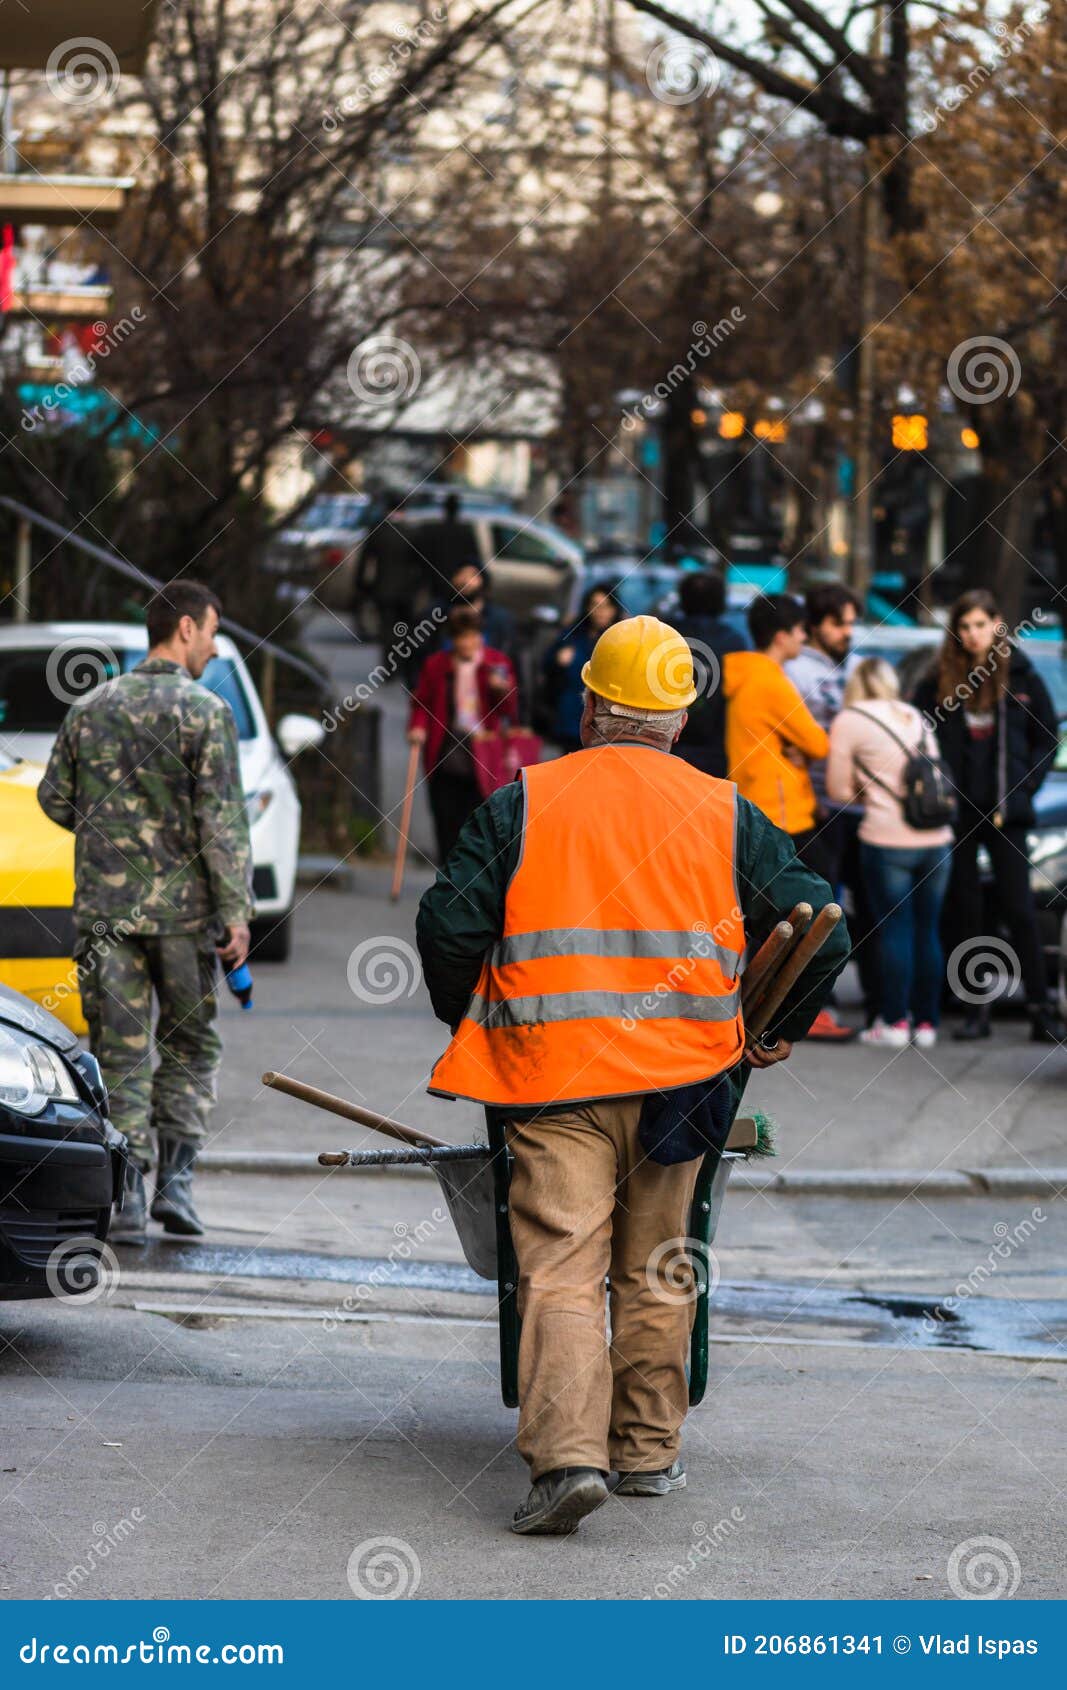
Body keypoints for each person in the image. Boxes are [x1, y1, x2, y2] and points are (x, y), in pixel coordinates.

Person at [416, 615, 849, 1536]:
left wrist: (475, 1017)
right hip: (685, 1083)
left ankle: (568, 1463)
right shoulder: (724, 808)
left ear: (589, 707)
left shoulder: (524, 800)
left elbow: (449, 927)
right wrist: (776, 1027)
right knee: (657, 1266)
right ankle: (646, 1457)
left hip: (555, 1081)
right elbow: (825, 922)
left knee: (563, 1273)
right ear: (679, 719)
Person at [37, 580, 253, 1245]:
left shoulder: (92, 705)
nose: (213, 648)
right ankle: (177, 1188)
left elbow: (53, 799)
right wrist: (234, 913)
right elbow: (221, 823)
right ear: (184, 628)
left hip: (107, 918)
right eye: (212, 633)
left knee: (118, 1052)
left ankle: (126, 1198)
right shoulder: (206, 711)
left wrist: (107, 833)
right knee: (188, 1045)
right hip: (185, 921)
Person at [913, 589, 1064, 1043]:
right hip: (958, 815)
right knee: (967, 911)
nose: (972, 634)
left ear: (997, 624)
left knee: (1019, 909)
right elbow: (917, 734)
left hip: (1007, 814)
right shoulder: (940, 679)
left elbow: (1047, 740)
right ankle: (976, 1008)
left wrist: (1025, 790)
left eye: (980, 624)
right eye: (965, 626)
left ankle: (1041, 1007)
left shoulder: (1021, 674)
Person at [826, 658, 954, 1048]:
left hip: (886, 841)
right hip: (937, 839)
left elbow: (837, 791)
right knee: (927, 930)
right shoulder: (914, 716)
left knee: (894, 929)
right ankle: (927, 1024)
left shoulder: (848, 720)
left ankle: (895, 1023)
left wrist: (870, 793)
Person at [786, 582, 877, 1038]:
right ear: (817, 625)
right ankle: (823, 998)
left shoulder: (861, 667)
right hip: (819, 807)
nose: (848, 631)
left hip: (866, 807)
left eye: (851, 622)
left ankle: (879, 1000)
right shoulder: (797, 671)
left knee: (870, 900)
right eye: (839, 622)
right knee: (826, 902)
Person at [723, 594, 831, 873]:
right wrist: (800, 748)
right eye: (799, 630)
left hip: (752, 803)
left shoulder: (743, 674)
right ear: (781, 637)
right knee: (818, 886)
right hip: (782, 813)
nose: (804, 638)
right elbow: (818, 744)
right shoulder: (772, 683)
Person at [408, 607, 518, 863]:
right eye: (461, 637)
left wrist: (501, 691)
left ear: (480, 636)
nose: (467, 643)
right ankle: (448, 878)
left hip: (483, 754)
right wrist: (418, 727)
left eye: (472, 636)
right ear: (453, 640)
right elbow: (421, 703)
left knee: (480, 821)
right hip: (446, 752)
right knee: (446, 820)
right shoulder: (436, 665)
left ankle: (472, 879)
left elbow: (509, 710)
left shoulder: (496, 664)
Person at [671, 571, 746, 779]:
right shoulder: (734, 640)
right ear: (721, 602)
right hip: (715, 748)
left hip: (667, 741)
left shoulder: (665, 633)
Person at [354, 492, 430, 678]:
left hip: (382, 588)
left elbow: (365, 561)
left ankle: (389, 666)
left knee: (387, 628)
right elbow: (422, 565)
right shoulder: (413, 532)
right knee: (404, 628)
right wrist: (418, 586)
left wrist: (363, 585)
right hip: (406, 590)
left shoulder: (378, 530)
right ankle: (402, 664)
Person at [539, 584, 621, 751]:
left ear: (614, 609)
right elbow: (546, 664)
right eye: (595, 605)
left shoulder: (620, 638)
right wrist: (558, 659)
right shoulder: (575, 633)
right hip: (570, 718)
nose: (600, 611)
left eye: (606, 606)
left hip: (604, 721)